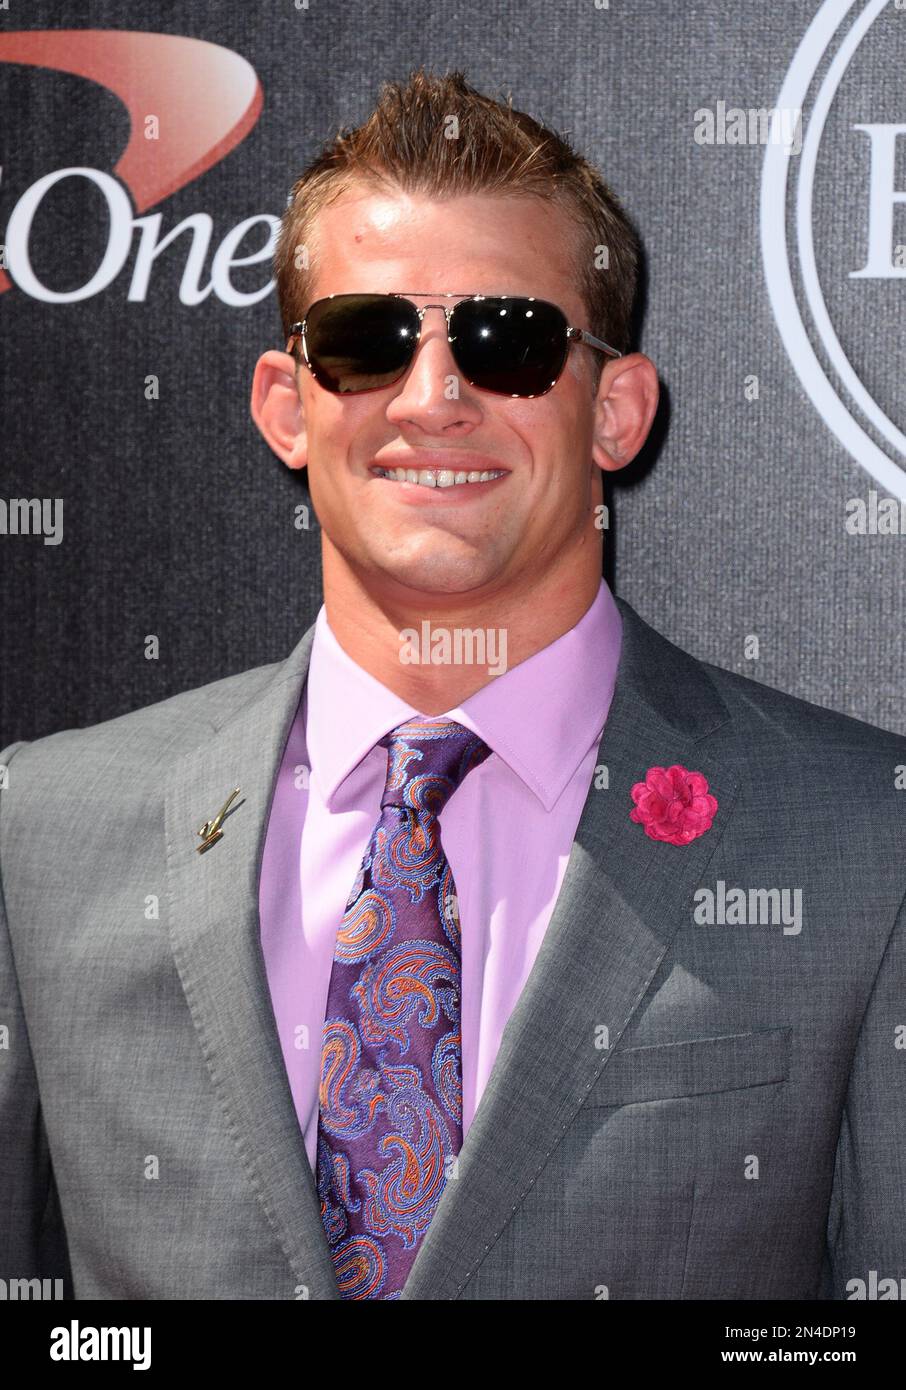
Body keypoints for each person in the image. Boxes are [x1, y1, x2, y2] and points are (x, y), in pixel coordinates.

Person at [2, 68, 905, 1303]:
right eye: (365, 339)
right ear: (286, 404)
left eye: (509, 341)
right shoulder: (44, 833)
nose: (433, 398)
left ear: (618, 411)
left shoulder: (864, 842)